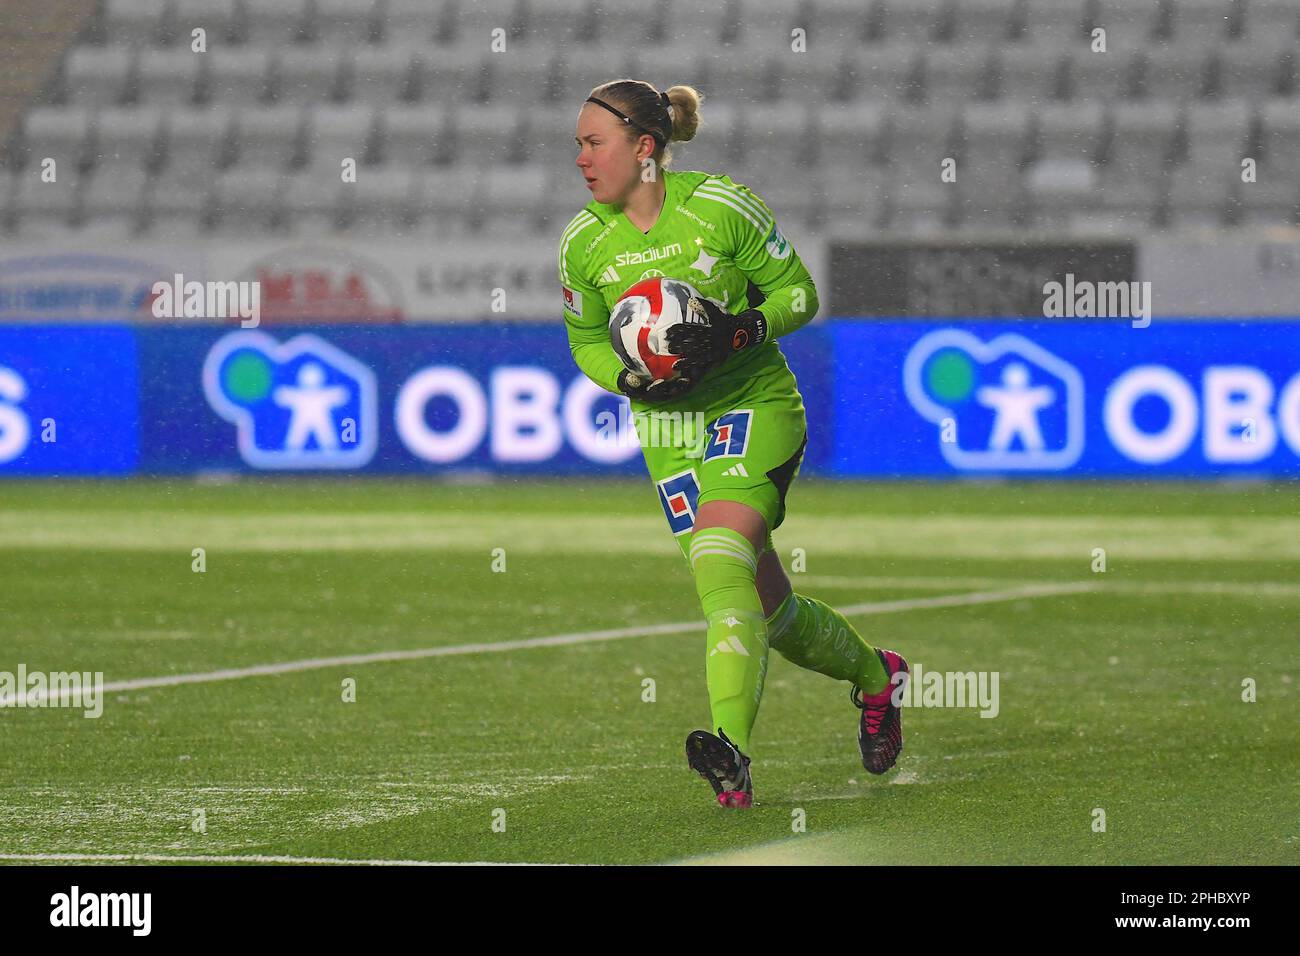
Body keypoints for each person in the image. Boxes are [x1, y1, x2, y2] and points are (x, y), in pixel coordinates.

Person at [559, 79, 909, 808]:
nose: (582, 157)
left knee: (720, 568)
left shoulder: (720, 206)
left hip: (753, 405)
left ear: (645, 147)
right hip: (668, 432)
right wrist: (628, 380)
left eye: (595, 142)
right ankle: (878, 676)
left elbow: (798, 293)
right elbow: (587, 341)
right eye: (580, 144)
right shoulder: (582, 243)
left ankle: (733, 755)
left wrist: (737, 330)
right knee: (769, 613)